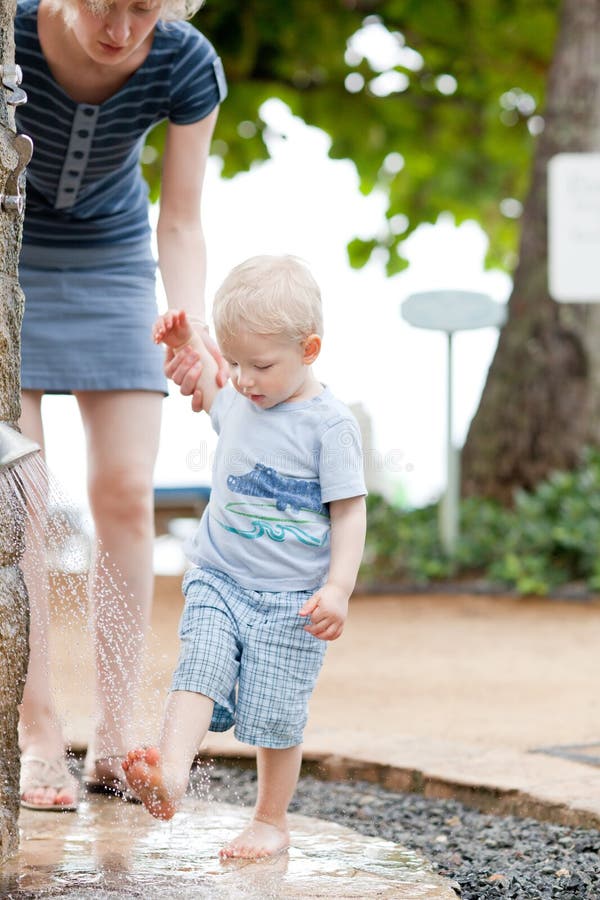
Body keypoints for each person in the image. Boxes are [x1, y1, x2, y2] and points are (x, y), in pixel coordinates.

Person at [14, 0, 227, 810]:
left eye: (147, 7)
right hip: (11, 257)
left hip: (113, 266)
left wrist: (192, 326)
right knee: (19, 503)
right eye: (109, 3)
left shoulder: (184, 62)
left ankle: (114, 733)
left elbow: (179, 218)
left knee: (127, 494)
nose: (124, 27)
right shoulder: (11, 34)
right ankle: (39, 737)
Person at [122, 254, 367, 859]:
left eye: (260, 365)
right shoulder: (236, 396)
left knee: (278, 714)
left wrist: (338, 589)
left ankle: (269, 821)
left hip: (293, 600)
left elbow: (350, 510)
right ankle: (171, 774)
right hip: (220, 577)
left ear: (309, 350)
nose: (245, 379)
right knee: (199, 664)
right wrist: (186, 342)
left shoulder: (329, 425)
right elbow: (205, 379)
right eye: (234, 363)